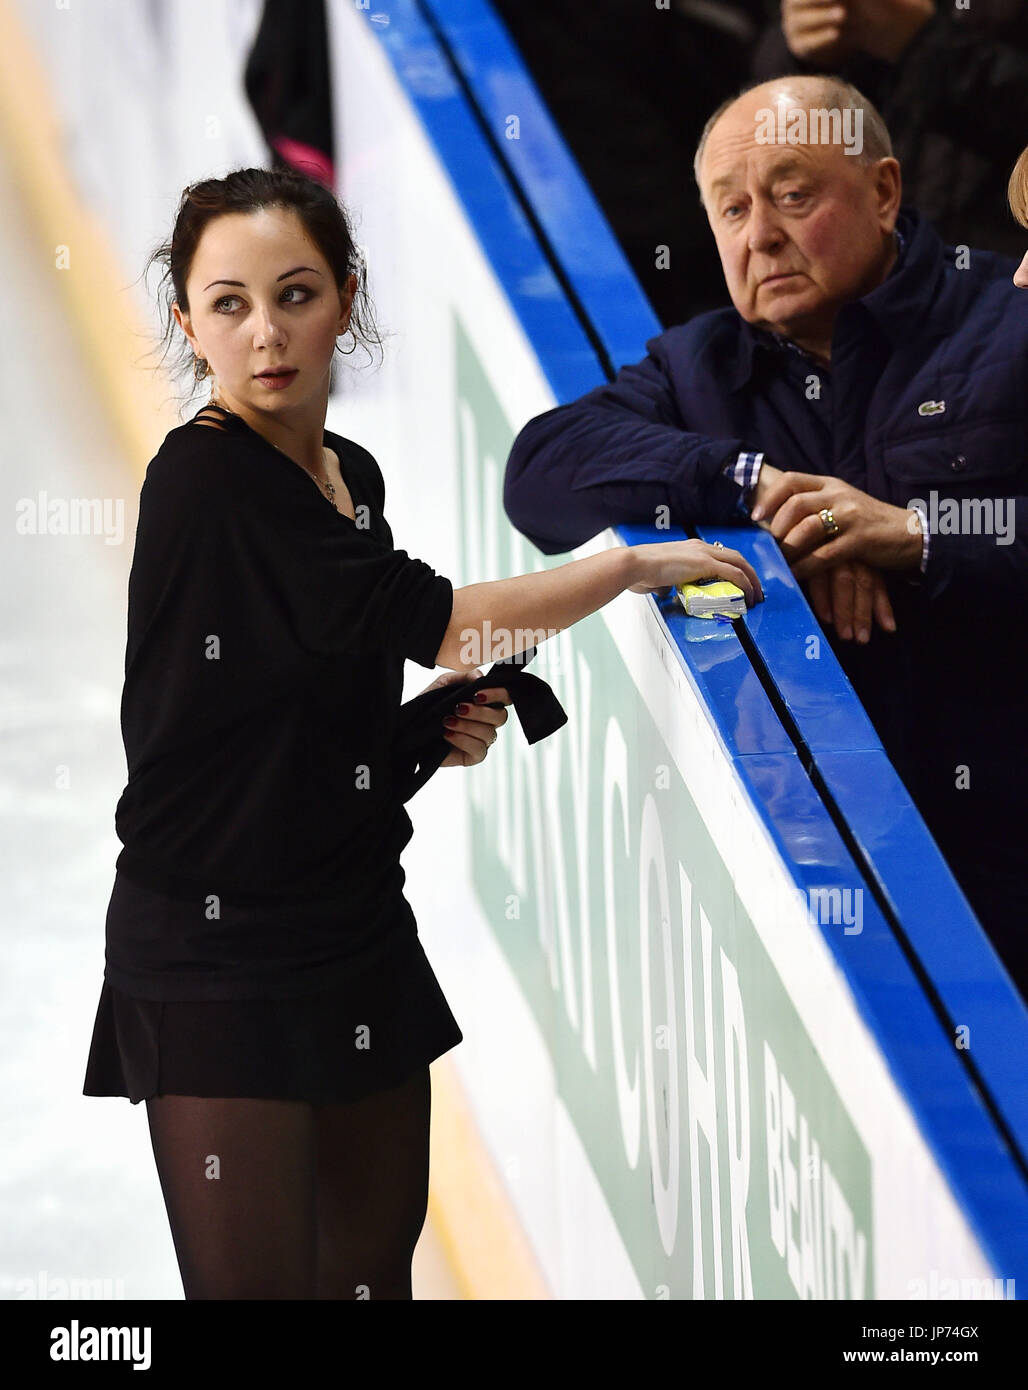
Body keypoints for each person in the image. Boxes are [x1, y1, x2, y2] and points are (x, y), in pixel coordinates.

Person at [81, 166, 764, 1300]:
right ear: (187, 324)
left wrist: (405, 744)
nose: (266, 335)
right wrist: (630, 562)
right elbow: (448, 625)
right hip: (213, 954)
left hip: (349, 925)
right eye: (230, 304)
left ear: (346, 296)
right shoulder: (209, 484)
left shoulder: (349, 477)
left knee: (369, 1280)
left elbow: (296, 709)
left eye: (295, 295)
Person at [503, 76, 1028, 1002]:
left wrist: (916, 537)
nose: (761, 236)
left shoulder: (1006, 318)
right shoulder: (698, 369)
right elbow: (539, 475)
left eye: (793, 195)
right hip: (822, 893)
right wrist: (753, 486)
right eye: (731, 209)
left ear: (884, 192)